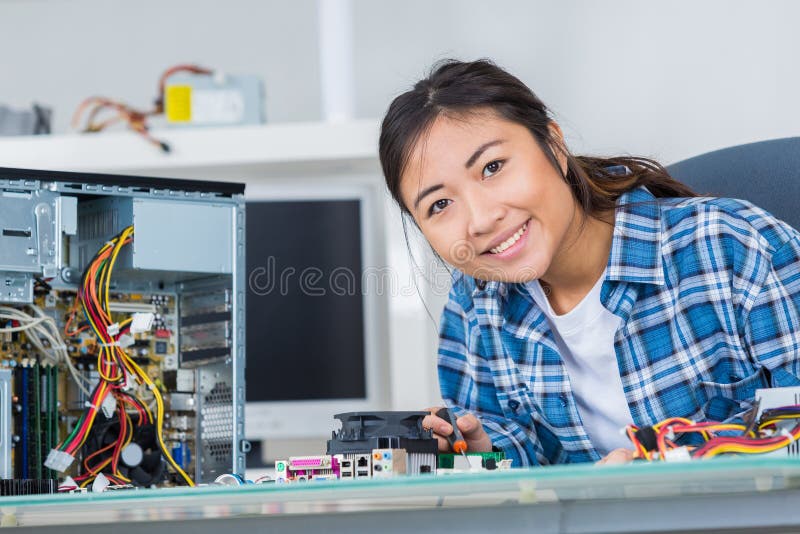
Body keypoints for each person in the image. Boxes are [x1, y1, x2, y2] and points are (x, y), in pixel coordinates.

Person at [378, 59, 800, 466]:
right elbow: (519, 447)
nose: (482, 219)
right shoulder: (474, 305)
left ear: (555, 145)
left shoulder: (732, 246)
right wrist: (486, 448)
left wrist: (668, 465)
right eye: (440, 204)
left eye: (492, 167)